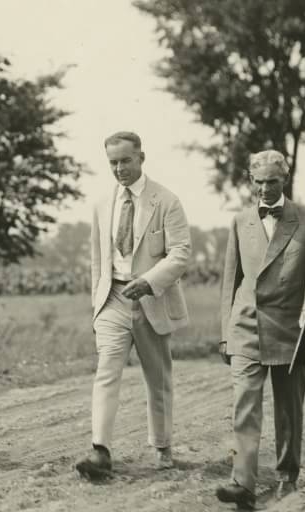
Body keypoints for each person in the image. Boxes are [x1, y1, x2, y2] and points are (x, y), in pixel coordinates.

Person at [216, 150, 305, 508]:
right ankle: (243, 484)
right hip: (247, 326)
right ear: (251, 182)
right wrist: (225, 332)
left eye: (273, 182)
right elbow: (230, 280)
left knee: (288, 409)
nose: (265, 189)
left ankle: (287, 476)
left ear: (285, 180)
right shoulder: (240, 221)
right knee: (244, 407)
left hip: (291, 328)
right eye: (259, 182)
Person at [75, 131, 191, 479]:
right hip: (113, 297)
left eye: (126, 160)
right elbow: (99, 259)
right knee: (107, 368)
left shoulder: (166, 201)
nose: (119, 168)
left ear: (141, 157)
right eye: (113, 162)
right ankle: (100, 451)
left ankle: (162, 446)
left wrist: (151, 281)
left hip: (150, 300)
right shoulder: (101, 203)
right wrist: (98, 304)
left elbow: (181, 253)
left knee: (157, 378)